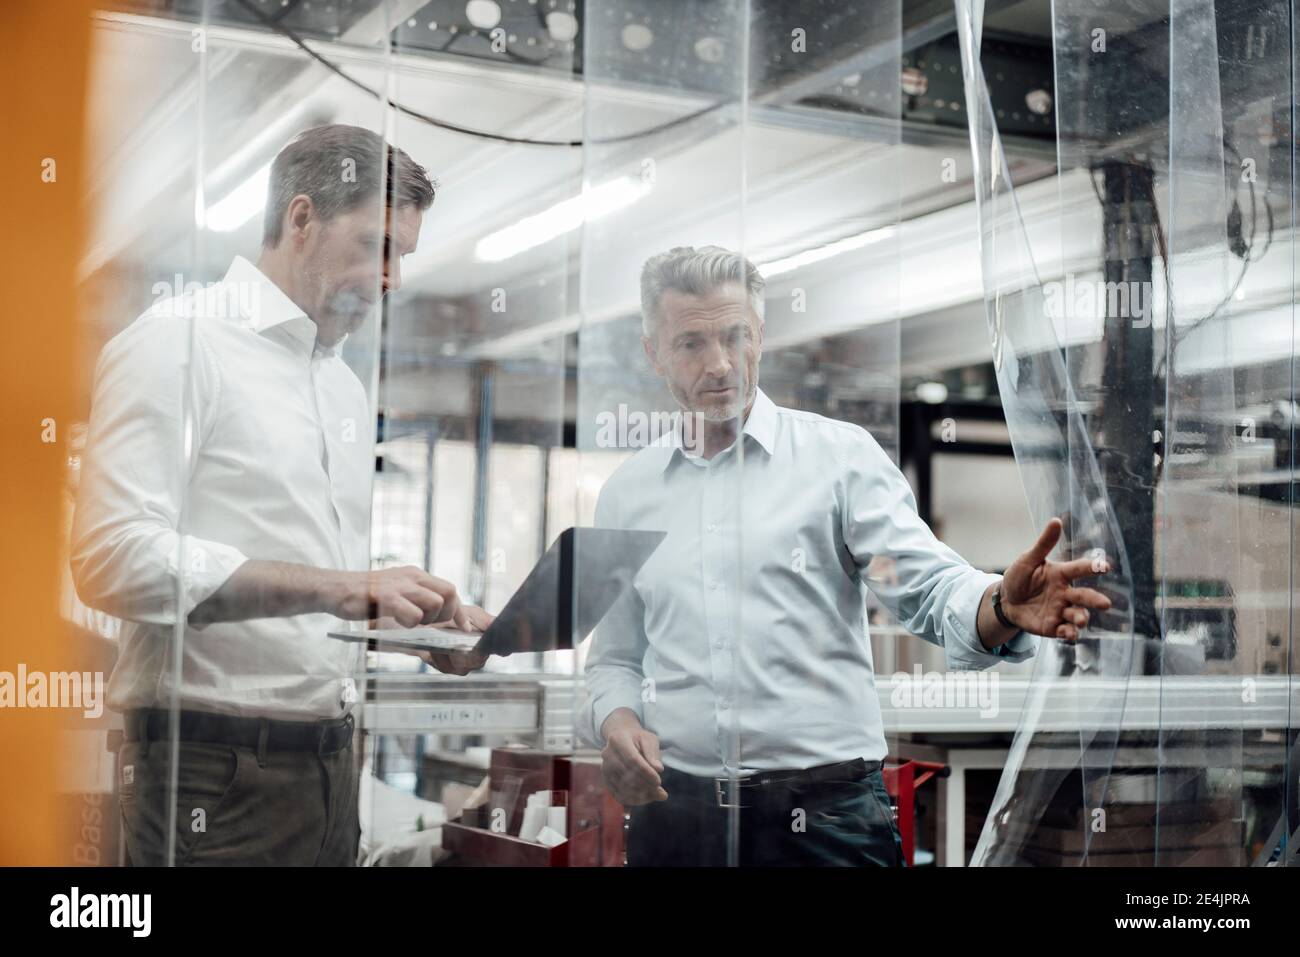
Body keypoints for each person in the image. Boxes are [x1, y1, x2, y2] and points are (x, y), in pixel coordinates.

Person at [579, 245, 1113, 866]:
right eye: (691, 344)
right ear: (653, 353)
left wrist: (999, 603)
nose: (721, 363)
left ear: (761, 336)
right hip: (677, 821)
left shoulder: (839, 460)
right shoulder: (628, 493)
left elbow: (928, 588)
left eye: (736, 336)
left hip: (825, 823)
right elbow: (614, 656)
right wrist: (617, 722)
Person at [71, 124, 488, 866]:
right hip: (211, 771)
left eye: (403, 255)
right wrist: (345, 586)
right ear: (301, 219)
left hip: (329, 767)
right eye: (374, 245)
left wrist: (417, 623)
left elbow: (315, 592)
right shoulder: (178, 341)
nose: (391, 276)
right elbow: (111, 556)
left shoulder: (341, 384)